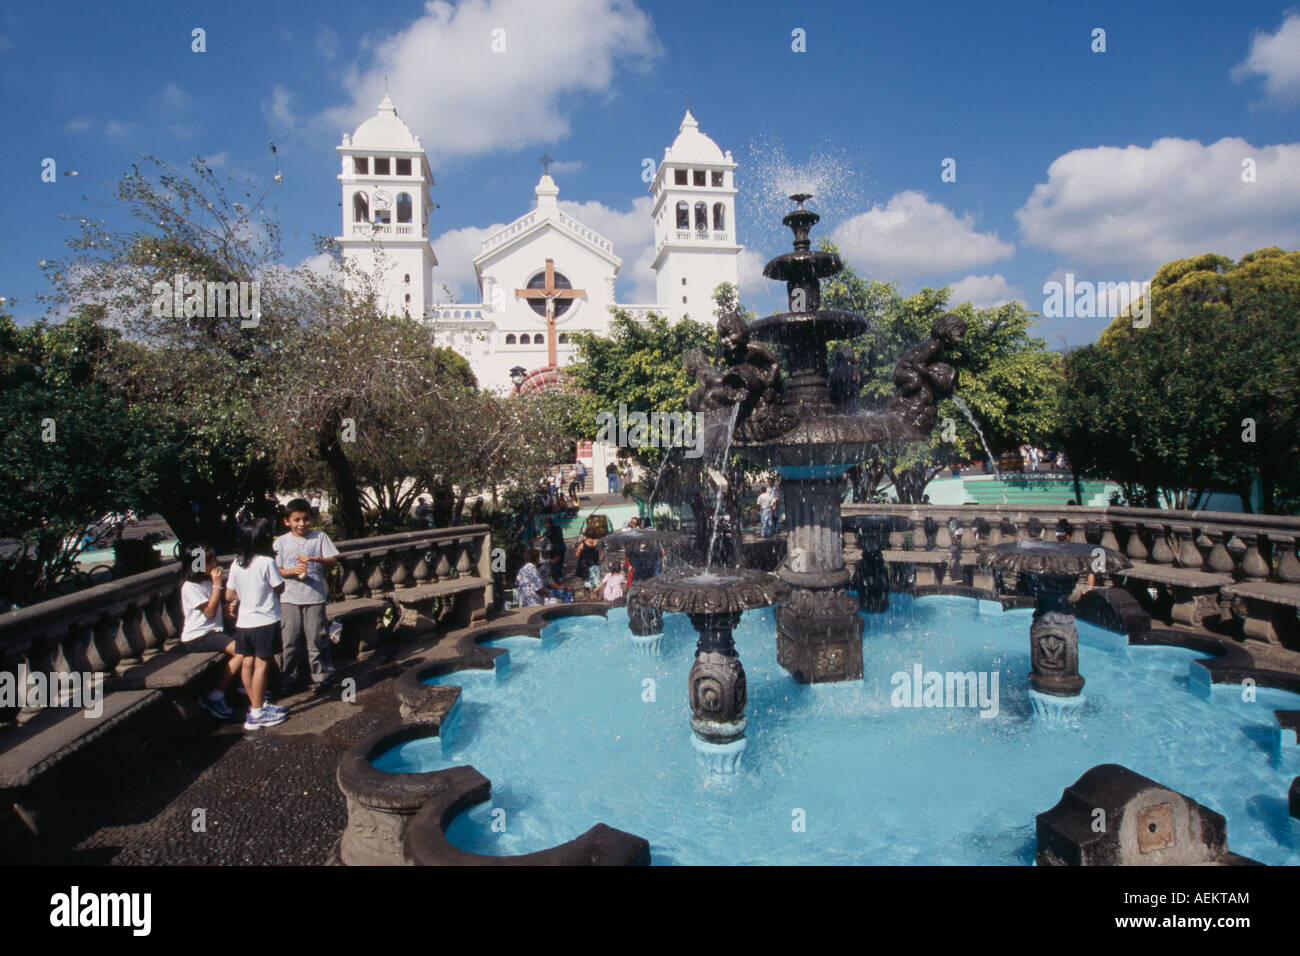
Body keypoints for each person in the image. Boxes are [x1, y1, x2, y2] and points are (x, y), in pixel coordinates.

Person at [225, 519, 288, 730]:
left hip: (244, 622)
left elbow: (230, 593)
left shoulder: (236, 563)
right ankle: (258, 712)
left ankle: (255, 706)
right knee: (262, 666)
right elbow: (279, 587)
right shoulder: (266, 562)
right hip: (265, 620)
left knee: (247, 664)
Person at [273, 498, 340, 693]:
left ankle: (322, 676)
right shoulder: (281, 543)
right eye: (296, 520)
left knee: (316, 638)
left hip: (314, 596)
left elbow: (333, 561)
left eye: (306, 519)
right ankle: (289, 677)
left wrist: (315, 559)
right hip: (289, 598)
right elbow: (276, 570)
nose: (302, 524)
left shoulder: (319, 537)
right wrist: (292, 571)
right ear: (287, 521)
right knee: (290, 639)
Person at [179, 543, 244, 720]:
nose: (215, 564)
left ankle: (243, 686)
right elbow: (208, 611)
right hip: (198, 636)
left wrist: (227, 612)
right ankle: (216, 695)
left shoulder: (207, 582)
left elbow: (214, 611)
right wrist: (217, 586)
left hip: (214, 631)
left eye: (214, 559)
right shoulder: (190, 587)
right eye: (209, 561)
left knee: (250, 641)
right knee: (241, 651)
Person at [574, 531, 603, 600]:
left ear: (586, 535)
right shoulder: (598, 542)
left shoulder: (583, 544)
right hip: (596, 566)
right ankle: (596, 598)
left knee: (586, 584)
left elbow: (577, 554)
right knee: (596, 583)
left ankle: (588, 599)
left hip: (586, 566)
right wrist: (600, 561)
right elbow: (602, 555)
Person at [542, 516, 565, 582]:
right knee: (560, 562)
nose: (545, 525)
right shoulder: (558, 527)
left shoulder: (550, 529)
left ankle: (556, 578)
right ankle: (559, 576)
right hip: (562, 545)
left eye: (545, 524)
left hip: (556, 547)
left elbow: (546, 536)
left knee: (554, 562)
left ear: (547, 523)